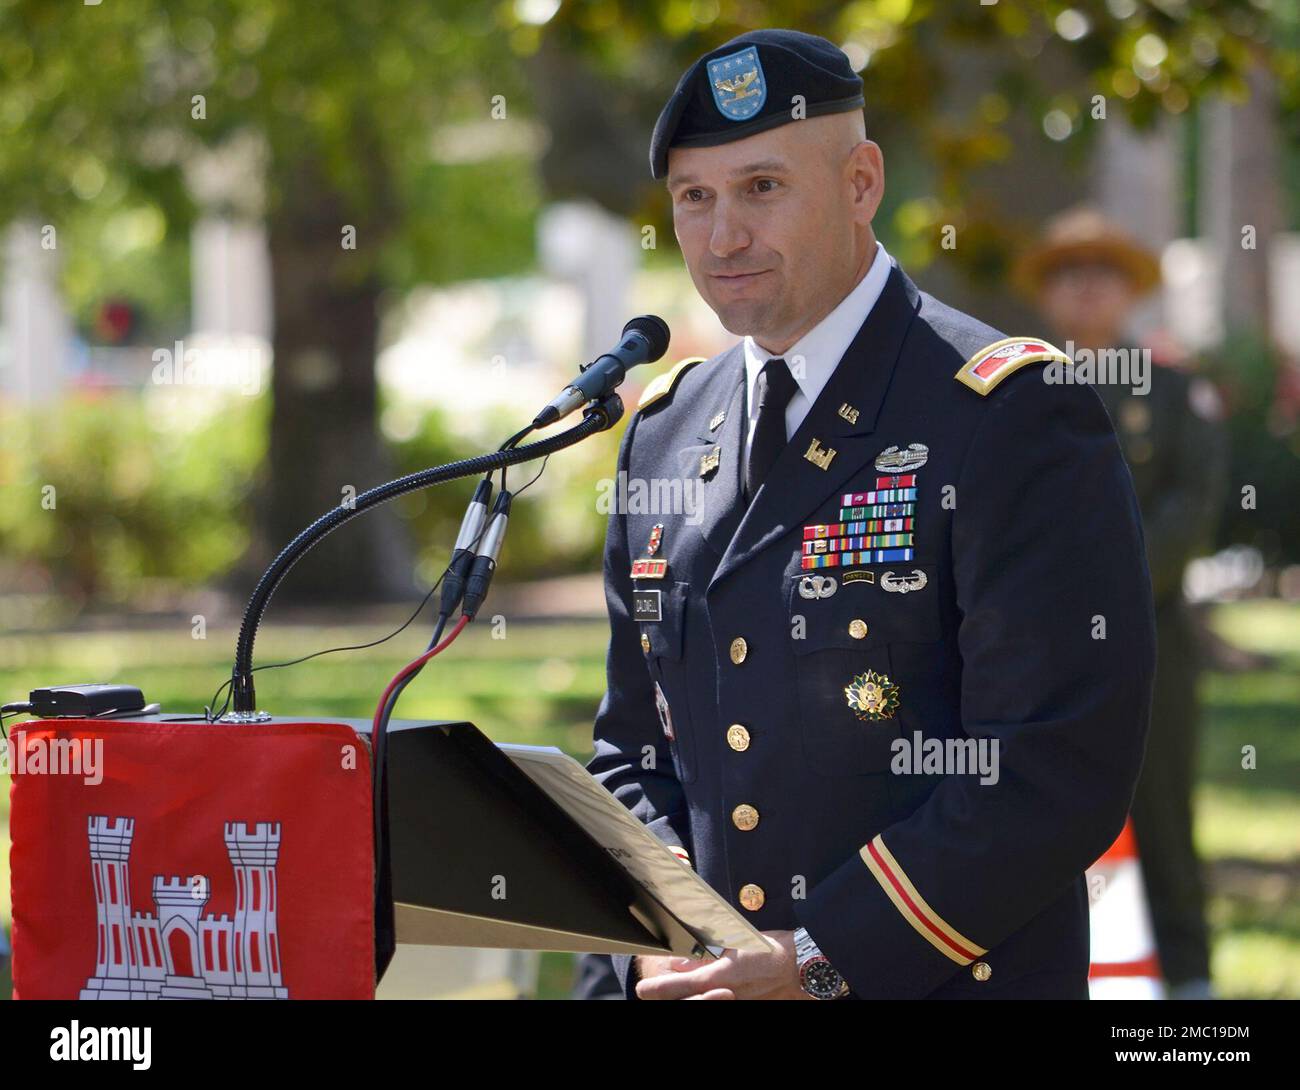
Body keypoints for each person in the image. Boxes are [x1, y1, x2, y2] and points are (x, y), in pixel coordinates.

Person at [587, 28, 1155, 1000]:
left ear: (860, 182)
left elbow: (1052, 761)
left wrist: (820, 957)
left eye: (762, 187)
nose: (722, 237)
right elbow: (632, 749)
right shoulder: (666, 431)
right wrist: (651, 937)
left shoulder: (1005, 411)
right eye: (695, 197)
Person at [1017, 207, 1227, 999]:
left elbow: (1191, 509)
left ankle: (1188, 986)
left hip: (1153, 640)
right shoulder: (1012, 393)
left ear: (1127, 291)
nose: (1084, 287)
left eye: (1101, 273)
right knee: (1035, 815)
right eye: (1068, 274)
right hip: (1034, 647)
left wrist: (1107, 599)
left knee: (1163, 810)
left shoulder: (1174, 392)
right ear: (1047, 294)